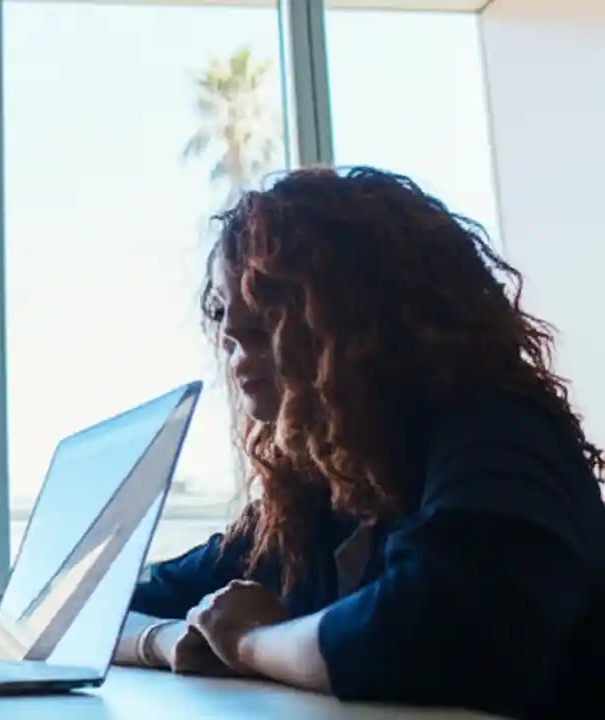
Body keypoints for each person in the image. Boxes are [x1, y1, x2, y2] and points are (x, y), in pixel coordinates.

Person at [114, 167, 605, 719]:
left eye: (269, 302)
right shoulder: (314, 499)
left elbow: (434, 629)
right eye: (224, 311)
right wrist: (173, 638)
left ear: (368, 309)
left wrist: (251, 642)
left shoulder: (502, 430)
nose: (231, 327)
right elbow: (99, 611)